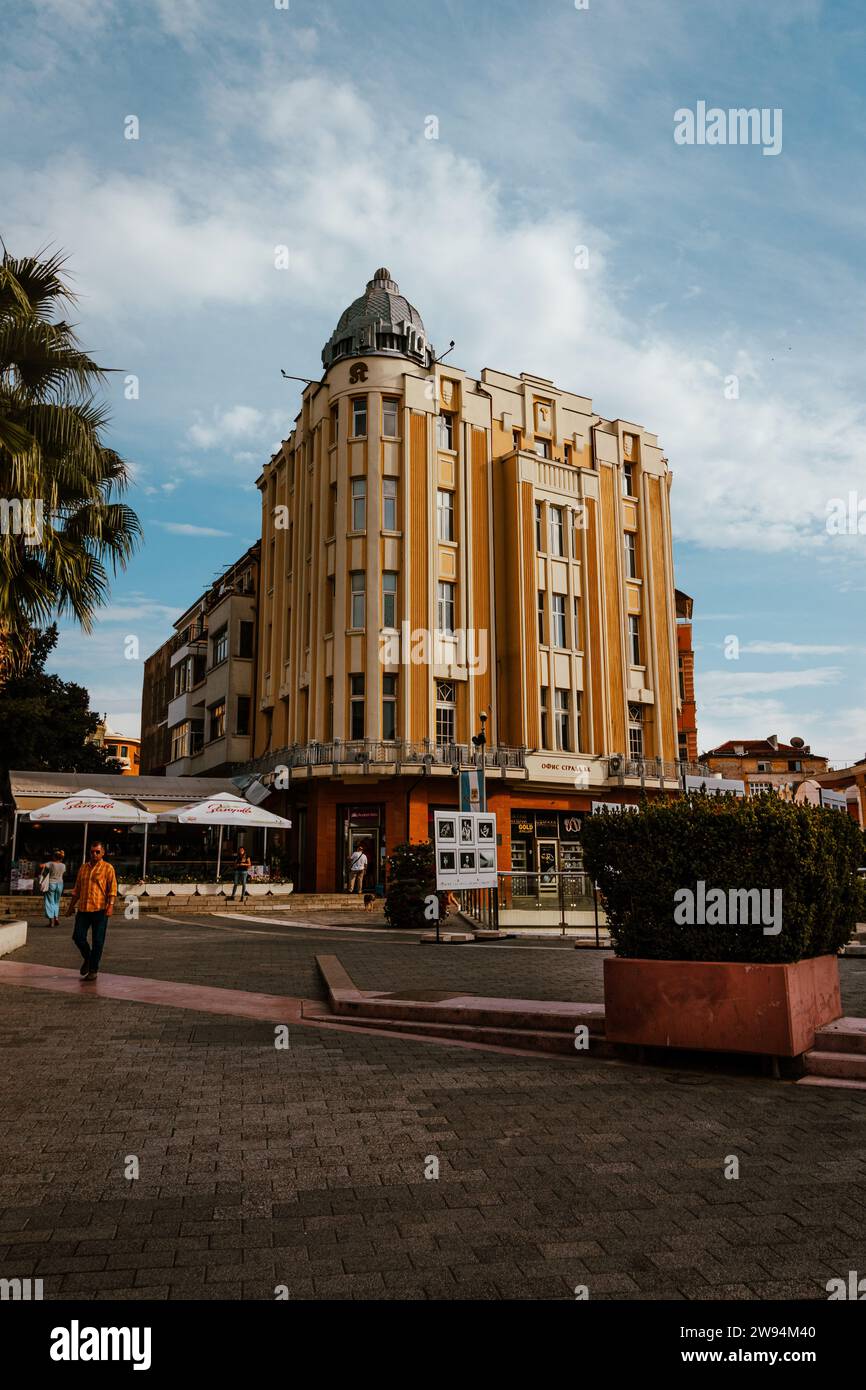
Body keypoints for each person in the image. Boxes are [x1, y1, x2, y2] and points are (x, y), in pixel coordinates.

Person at [66, 841, 117, 983]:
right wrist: (70, 907)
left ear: (103, 853)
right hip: (83, 909)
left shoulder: (108, 868)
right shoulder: (83, 868)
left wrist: (110, 905)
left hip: (100, 909)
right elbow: (77, 890)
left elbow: (112, 889)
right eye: (92, 852)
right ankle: (88, 958)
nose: (94, 854)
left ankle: (93, 970)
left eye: (97, 852)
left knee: (98, 941)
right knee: (78, 937)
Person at [38, 849, 66, 926]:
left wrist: (45, 867)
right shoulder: (63, 865)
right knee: (56, 901)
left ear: (54, 857)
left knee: (49, 902)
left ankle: (51, 921)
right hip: (60, 884)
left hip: (51, 884)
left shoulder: (51, 863)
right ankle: (56, 918)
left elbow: (41, 866)